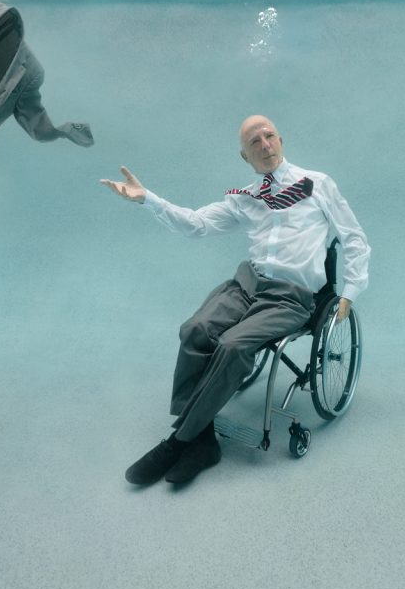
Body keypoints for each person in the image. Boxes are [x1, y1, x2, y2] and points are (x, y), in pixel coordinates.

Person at [100, 115, 370, 485]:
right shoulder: (246, 199)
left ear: (281, 140)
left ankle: (179, 440)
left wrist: (351, 290)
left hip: (291, 297)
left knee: (232, 346)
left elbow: (353, 237)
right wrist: (147, 199)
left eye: (269, 136)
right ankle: (204, 440)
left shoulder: (317, 185)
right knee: (195, 330)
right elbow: (195, 224)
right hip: (246, 284)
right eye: (254, 142)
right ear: (245, 157)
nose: (264, 144)